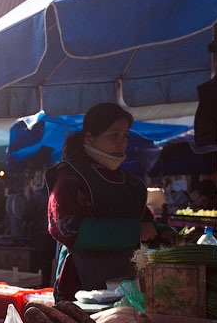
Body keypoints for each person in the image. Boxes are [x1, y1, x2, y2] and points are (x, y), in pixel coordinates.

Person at [47, 103, 173, 302]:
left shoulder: (132, 184)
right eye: (113, 135)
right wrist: (135, 232)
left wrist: (163, 231)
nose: (121, 142)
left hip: (127, 287)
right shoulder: (71, 177)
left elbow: (145, 223)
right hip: (80, 286)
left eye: (124, 135)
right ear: (90, 138)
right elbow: (66, 230)